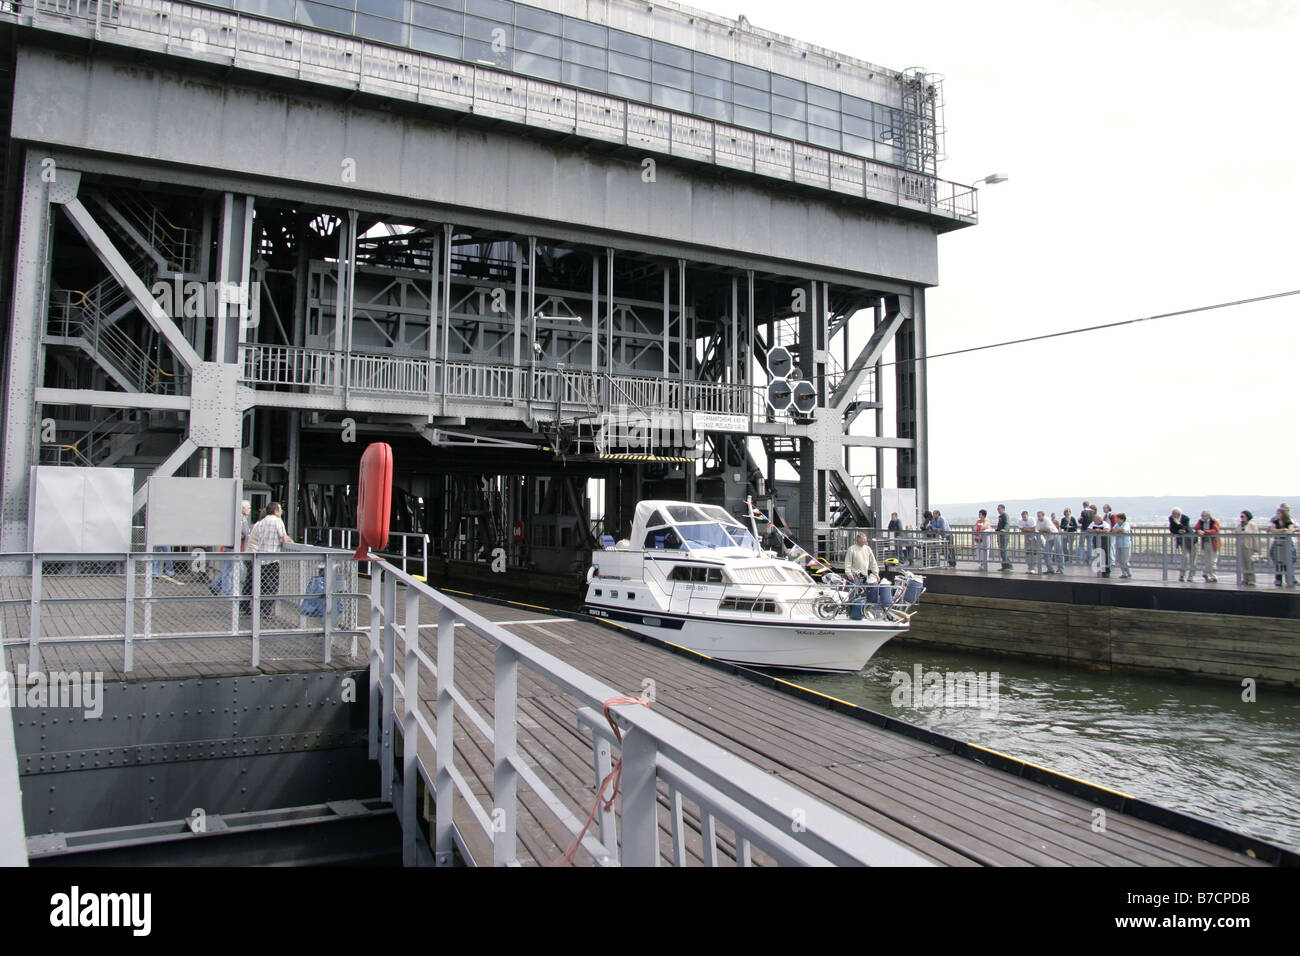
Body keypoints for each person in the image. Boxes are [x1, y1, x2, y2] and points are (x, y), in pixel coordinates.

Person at [249, 501, 292, 618]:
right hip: (272, 559)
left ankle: (260, 610)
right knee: (273, 587)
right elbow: (283, 537)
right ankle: (266, 612)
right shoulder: (277, 521)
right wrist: (291, 542)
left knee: (263, 587)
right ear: (275, 511)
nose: (282, 511)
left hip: (261, 559)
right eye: (280, 509)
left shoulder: (261, 523)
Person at [1270, 504, 1296, 587]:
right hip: (1278, 543)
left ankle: (1290, 579)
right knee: (1278, 561)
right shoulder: (1276, 522)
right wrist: (1282, 530)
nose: (1277, 515)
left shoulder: (1288, 522)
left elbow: (1290, 531)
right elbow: (1272, 529)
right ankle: (1278, 579)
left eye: (1279, 513)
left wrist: (1284, 531)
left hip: (1286, 544)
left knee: (1287, 562)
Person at [1193, 510, 1221, 583]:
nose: (1202, 517)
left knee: (1213, 561)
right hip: (1205, 543)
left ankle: (1213, 576)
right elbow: (1196, 528)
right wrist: (1198, 531)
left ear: (1208, 516)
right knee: (1206, 560)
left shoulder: (1213, 521)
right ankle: (1207, 574)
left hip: (1213, 543)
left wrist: (1205, 532)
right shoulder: (1201, 522)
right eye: (1202, 516)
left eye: (1204, 516)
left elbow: (1215, 530)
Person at [1169, 508, 1193, 582]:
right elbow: (1172, 529)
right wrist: (1178, 531)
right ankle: (1182, 575)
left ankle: (1191, 576)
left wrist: (1179, 523)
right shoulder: (1171, 518)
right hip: (1182, 540)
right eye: (1173, 514)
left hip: (1191, 540)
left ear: (1179, 514)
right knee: (1185, 557)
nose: (1174, 516)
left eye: (1176, 514)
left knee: (1193, 559)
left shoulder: (1185, 518)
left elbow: (1186, 529)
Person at [1239, 510, 1261, 587]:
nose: (1241, 518)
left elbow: (1255, 536)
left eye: (1243, 516)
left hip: (1249, 546)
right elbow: (1236, 531)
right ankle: (1245, 579)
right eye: (1241, 517)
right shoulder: (1241, 525)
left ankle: (1251, 579)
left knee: (1249, 563)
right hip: (1242, 546)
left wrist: (1256, 548)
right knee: (1244, 563)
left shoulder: (1252, 525)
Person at [1087, 511, 1110, 576]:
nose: (1094, 521)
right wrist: (1095, 530)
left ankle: (1106, 571)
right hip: (1096, 541)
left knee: (1105, 555)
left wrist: (1100, 531)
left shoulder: (1105, 523)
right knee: (1098, 555)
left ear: (1100, 519)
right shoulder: (1093, 523)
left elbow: (1107, 530)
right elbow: (1088, 529)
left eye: (1096, 519)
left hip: (1104, 540)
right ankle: (1099, 570)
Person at [1113, 512, 1133, 578]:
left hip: (1125, 544)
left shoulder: (1126, 524)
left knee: (1125, 560)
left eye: (1118, 519)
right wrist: (1119, 530)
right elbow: (1113, 530)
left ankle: (1129, 572)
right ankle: (1124, 573)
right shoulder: (1117, 525)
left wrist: (1118, 530)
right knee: (1120, 560)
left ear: (1122, 519)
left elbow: (1124, 531)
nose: (1117, 520)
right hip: (1119, 544)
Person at [995, 504, 1012, 571]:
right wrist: (997, 530)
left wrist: (1005, 529)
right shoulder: (1000, 516)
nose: (998, 510)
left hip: (1004, 536)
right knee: (1002, 551)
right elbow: (1000, 525)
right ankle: (1004, 565)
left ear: (1003, 509)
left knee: (1003, 550)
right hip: (1000, 535)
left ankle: (1008, 565)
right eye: (998, 509)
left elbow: (1007, 523)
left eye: (999, 509)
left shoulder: (1005, 515)